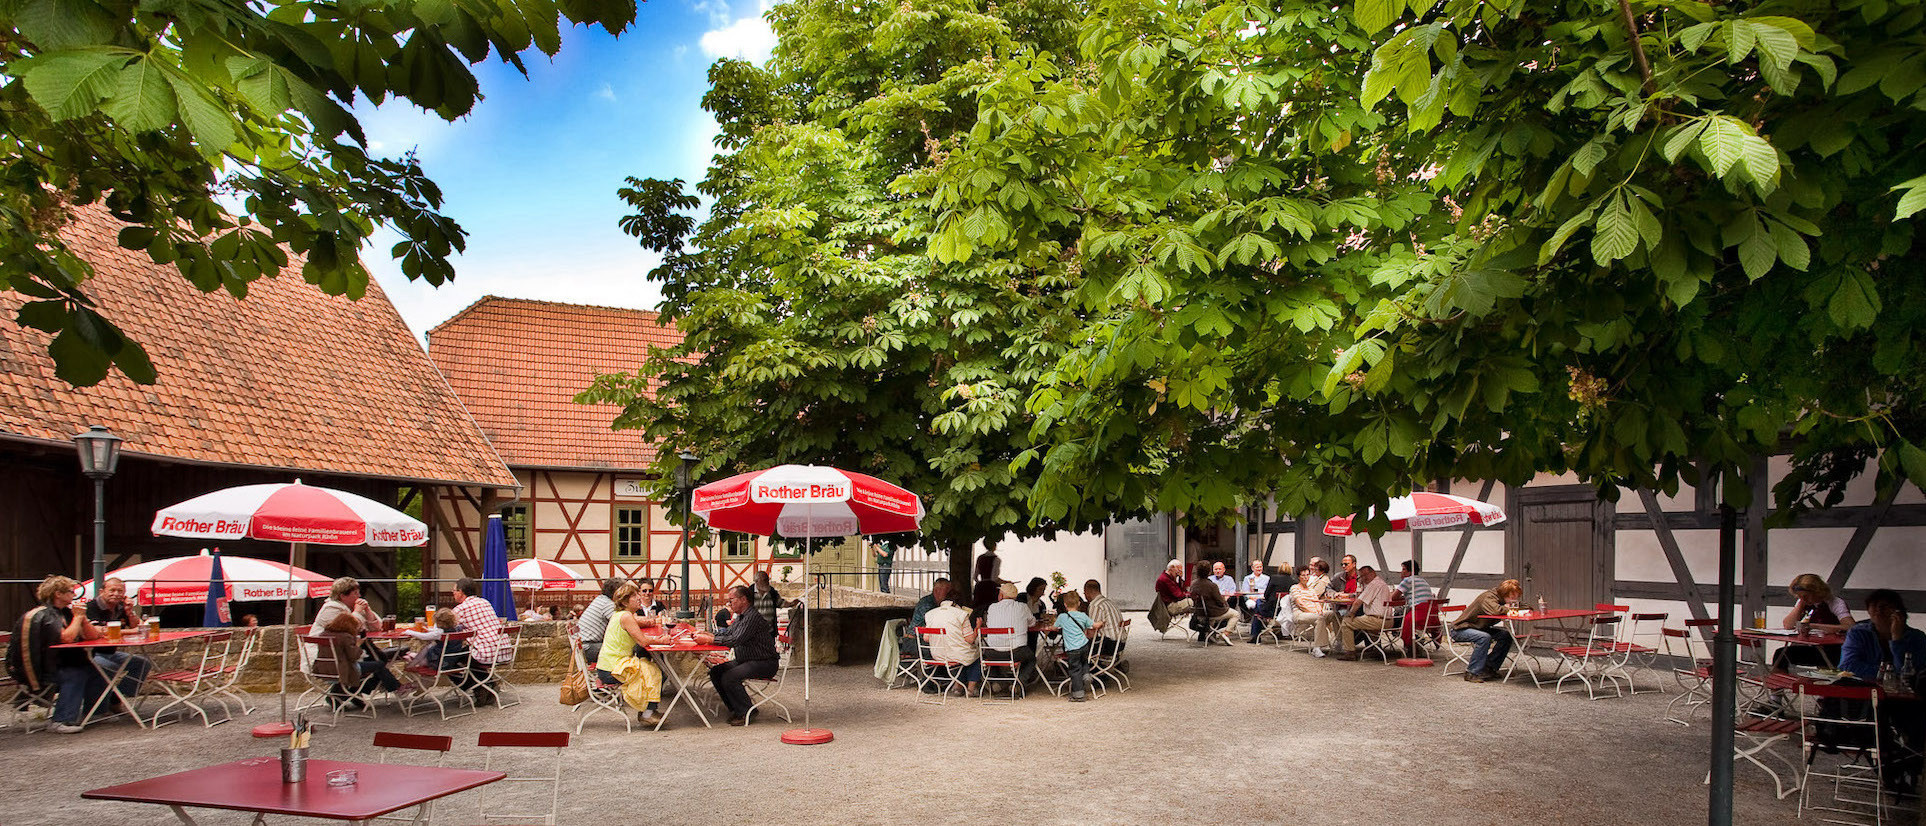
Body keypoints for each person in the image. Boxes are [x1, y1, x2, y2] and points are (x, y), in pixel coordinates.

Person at [7, 575, 103, 733]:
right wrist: (78, 617)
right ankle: (61, 720)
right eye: (71, 591)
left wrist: (83, 618)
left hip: (60, 664)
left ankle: (96, 712)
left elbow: (92, 636)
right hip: (41, 670)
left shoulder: (66, 612)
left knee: (96, 670)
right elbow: (66, 638)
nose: (74, 595)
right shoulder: (45, 614)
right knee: (75, 674)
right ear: (58, 594)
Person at [693, 585, 781, 725]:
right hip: (747, 660)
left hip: (764, 662)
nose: (729, 604)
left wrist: (710, 639)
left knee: (730, 677)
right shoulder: (741, 617)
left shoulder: (752, 617)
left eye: (731, 600)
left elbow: (735, 640)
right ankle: (735, 708)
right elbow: (728, 633)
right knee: (716, 672)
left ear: (743, 600)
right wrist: (709, 634)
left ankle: (746, 711)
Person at [312, 576, 401, 704]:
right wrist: (358, 612)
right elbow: (348, 629)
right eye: (355, 593)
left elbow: (377, 626)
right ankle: (346, 695)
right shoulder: (331, 608)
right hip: (329, 658)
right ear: (343, 596)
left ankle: (346, 695)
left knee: (378, 657)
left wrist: (368, 610)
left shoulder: (351, 608)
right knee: (377, 661)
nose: (359, 596)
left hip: (345, 653)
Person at [595, 581, 670, 726]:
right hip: (611, 669)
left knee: (649, 667)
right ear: (625, 601)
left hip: (610, 665)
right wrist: (663, 641)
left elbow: (641, 625)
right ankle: (647, 713)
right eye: (634, 596)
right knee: (653, 670)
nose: (639, 598)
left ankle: (648, 711)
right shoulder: (626, 616)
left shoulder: (622, 614)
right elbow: (642, 641)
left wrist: (654, 632)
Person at [83, 577, 152, 700]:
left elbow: (139, 626)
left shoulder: (121, 607)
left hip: (111, 652)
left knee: (142, 664)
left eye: (120, 591)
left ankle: (116, 699)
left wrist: (130, 612)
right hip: (91, 653)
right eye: (112, 590)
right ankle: (98, 709)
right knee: (107, 666)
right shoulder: (91, 607)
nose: (116, 594)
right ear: (101, 591)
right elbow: (99, 631)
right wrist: (131, 632)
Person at [1773, 573, 1854, 672]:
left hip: (1835, 650)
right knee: (1781, 654)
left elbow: (1850, 626)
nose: (1803, 599)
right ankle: (1778, 683)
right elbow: (1788, 625)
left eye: (1806, 596)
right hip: (1815, 647)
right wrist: (1800, 605)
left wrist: (1814, 626)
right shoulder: (1803, 602)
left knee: (1827, 660)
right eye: (1800, 597)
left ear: (1817, 591)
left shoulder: (1835, 603)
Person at [449, 577, 509, 704]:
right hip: (503, 650)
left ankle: (479, 687)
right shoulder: (485, 602)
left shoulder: (461, 609)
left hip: (486, 652)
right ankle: (488, 685)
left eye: (454, 590)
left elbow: (446, 629)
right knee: (466, 657)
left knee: (449, 660)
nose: (452, 593)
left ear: (461, 592)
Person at [1450, 579, 1523, 682]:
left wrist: (1521, 608)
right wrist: (1511, 608)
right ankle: (1472, 672)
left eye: (1516, 597)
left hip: (1479, 628)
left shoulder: (1502, 600)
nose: (1514, 600)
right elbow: (1496, 610)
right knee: (1484, 637)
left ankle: (1489, 668)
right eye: (1512, 597)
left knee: (1506, 635)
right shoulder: (1488, 598)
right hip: (1462, 629)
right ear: (1504, 594)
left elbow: (1522, 606)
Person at [921, 590, 982, 696]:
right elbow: (970, 639)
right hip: (955, 654)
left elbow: (926, 638)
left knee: (962, 654)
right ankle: (971, 689)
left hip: (937, 654)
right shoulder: (962, 614)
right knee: (975, 654)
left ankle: (957, 686)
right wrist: (978, 627)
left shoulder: (931, 614)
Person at [982, 583, 1039, 691]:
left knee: (989, 656)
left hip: (993, 652)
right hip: (1016, 652)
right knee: (1031, 658)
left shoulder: (992, 607)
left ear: (1001, 595)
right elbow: (1032, 623)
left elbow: (989, 625)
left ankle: (997, 681)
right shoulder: (1022, 607)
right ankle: (1018, 683)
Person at [1333, 566, 1396, 660]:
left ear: (1372, 573)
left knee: (1346, 622)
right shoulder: (1382, 583)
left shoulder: (1374, 584)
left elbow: (1358, 602)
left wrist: (1351, 614)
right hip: (1389, 621)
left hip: (1377, 620)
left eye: (1364, 575)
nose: (1363, 578)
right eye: (1361, 576)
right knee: (1364, 619)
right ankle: (1376, 649)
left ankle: (1350, 652)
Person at [1055, 591, 1099, 702]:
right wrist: (1101, 623)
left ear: (1065, 604)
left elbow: (1054, 627)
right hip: (1084, 645)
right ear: (1079, 603)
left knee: (1075, 670)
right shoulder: (1083, 616)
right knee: (1084, 661)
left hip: (1072, 649)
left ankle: (1078, 694)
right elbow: (1094, 625)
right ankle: (1087, 675)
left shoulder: (1062, 617)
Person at [1286, 566, 1335, 657]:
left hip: (1314, 613)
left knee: (1334, 614)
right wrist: (1314, 612)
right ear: (1298, 577)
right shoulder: (1295, 588)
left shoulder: (1311, 590)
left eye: (1307, 575)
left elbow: (1316, 602)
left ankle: (1338, 641)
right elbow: (1300, 604)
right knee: (1320, 618)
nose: (1306, 577)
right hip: (1300, 613)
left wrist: (1319, 610)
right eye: (1303, 575)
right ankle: (1317, 648)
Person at [576, 577, 625, 665]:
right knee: (622, 651)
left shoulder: (601, 600)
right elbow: (623, 621)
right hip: (588, 648)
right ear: (616, 592)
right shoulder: (607, 604)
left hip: (584, 646)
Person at [1083, 579, 1127, 671]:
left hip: (1109, 644)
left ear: (1088, 591)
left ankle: (1087, 671)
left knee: (1077, 644)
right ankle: (1100, 668)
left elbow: (1092, 633)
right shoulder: (1108, 602)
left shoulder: (1095, 605)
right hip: (1120, 643)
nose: (1085, 596)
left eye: (1084, 593)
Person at [1187, 561, 1236, 644]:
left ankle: (1210, 634)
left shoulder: (1193, 584)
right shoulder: (1212, 585)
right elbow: (1220, 602)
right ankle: (1225, 633)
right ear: (1210, 571)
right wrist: (1225, 604)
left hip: (1198, 614)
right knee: (1235, 614)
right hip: (1212, 613)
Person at [1394, 561, 1436, 657]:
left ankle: (1410, 648)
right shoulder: (1422, 580)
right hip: (1429, 616)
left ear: (1410, 571)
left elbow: (1393, 597)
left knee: (1402, 620)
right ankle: (1415, 645)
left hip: (1418, 614)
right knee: (1405, 618)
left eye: (1403, 569)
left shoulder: (1408, 580)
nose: (1401, 572)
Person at [1149, 560, 1192, 633]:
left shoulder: (1170, 577)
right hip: (1170, 606)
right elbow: (1179, 595)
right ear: (1172, 568)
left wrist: (1180, 578)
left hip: (1172, 603)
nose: (1179, 572)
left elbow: (1182, 591)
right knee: (1192, 602)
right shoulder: (1165, 579)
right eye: (1178, 570)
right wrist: (1191, 594)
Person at [750, 570, 796, 638]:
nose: (767, 582)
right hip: (753, 631)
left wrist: (792, 603)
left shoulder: (771, 592)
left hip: (769, 631)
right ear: (757, 581)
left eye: (767, 580)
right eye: (764, 580)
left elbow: (781, 603)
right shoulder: (749, 593)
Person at [1240, 560, 1272, 641]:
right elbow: (1245, 591)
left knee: (1258, 607)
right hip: (1251, 598)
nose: (1259, 568)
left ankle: (1255, 634)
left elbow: (1268, 592)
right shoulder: (1247, 578)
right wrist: (1252, 597)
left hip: (1263, 599)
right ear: (1252, 568)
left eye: (1260, 566)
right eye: (1257, 567)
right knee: (1255, 606)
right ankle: (1261, 622)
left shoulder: (1267, 578)